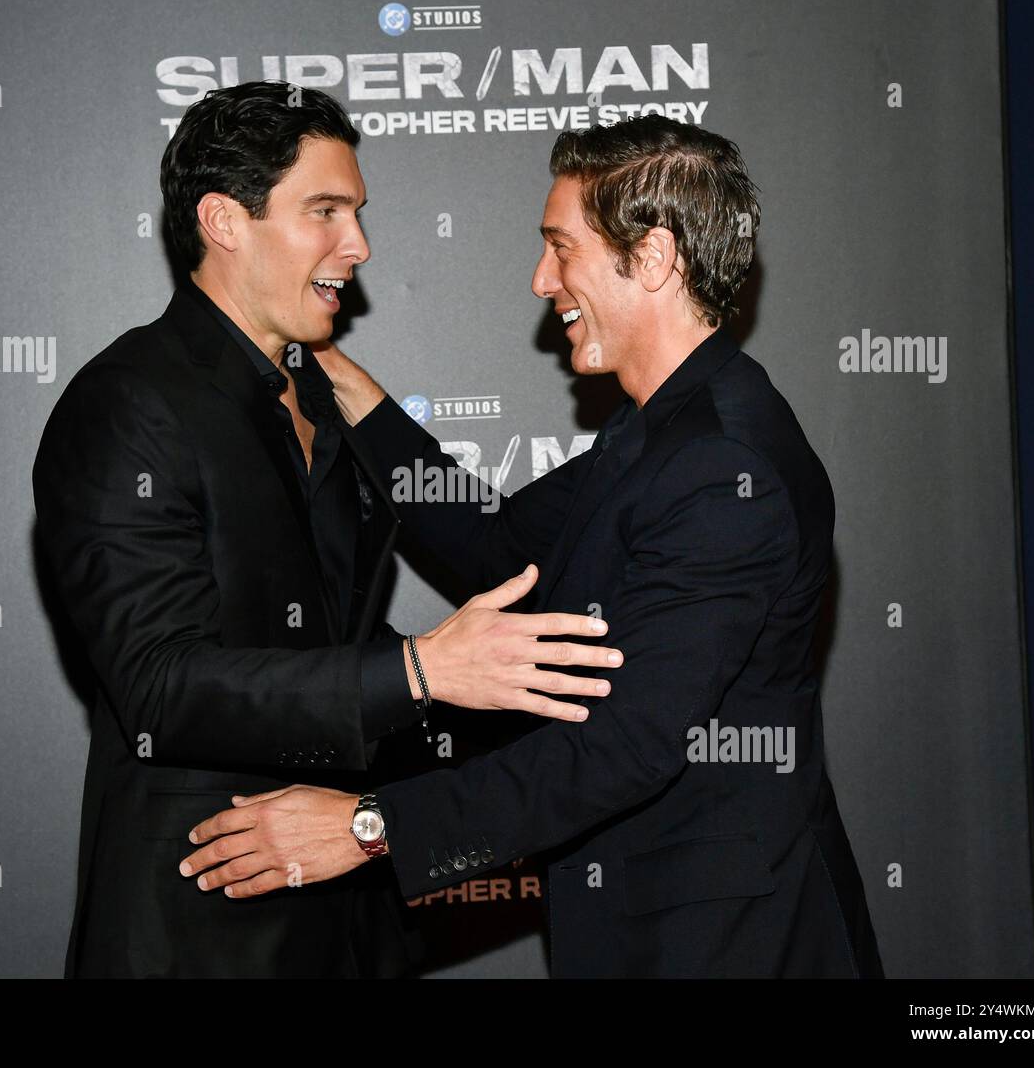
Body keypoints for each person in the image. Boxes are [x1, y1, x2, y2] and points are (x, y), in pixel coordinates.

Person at [180, 114, 885, 979]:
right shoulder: (660, 429)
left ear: (653, 257)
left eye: (562, 247)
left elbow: (624, 746)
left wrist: (368, 825)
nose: (542, 278)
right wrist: (342, 385)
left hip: (728, 947)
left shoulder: (720, 464)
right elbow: (501, 546)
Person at [31, 82, 622, 978]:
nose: (360, 246)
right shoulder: (128, 404)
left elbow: (329, 641)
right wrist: (425, 669)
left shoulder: (320, 397)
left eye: (357, 211)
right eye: (325, 211)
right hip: (202, 929)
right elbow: (157, 682)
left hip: (351, 917)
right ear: (225, 221)